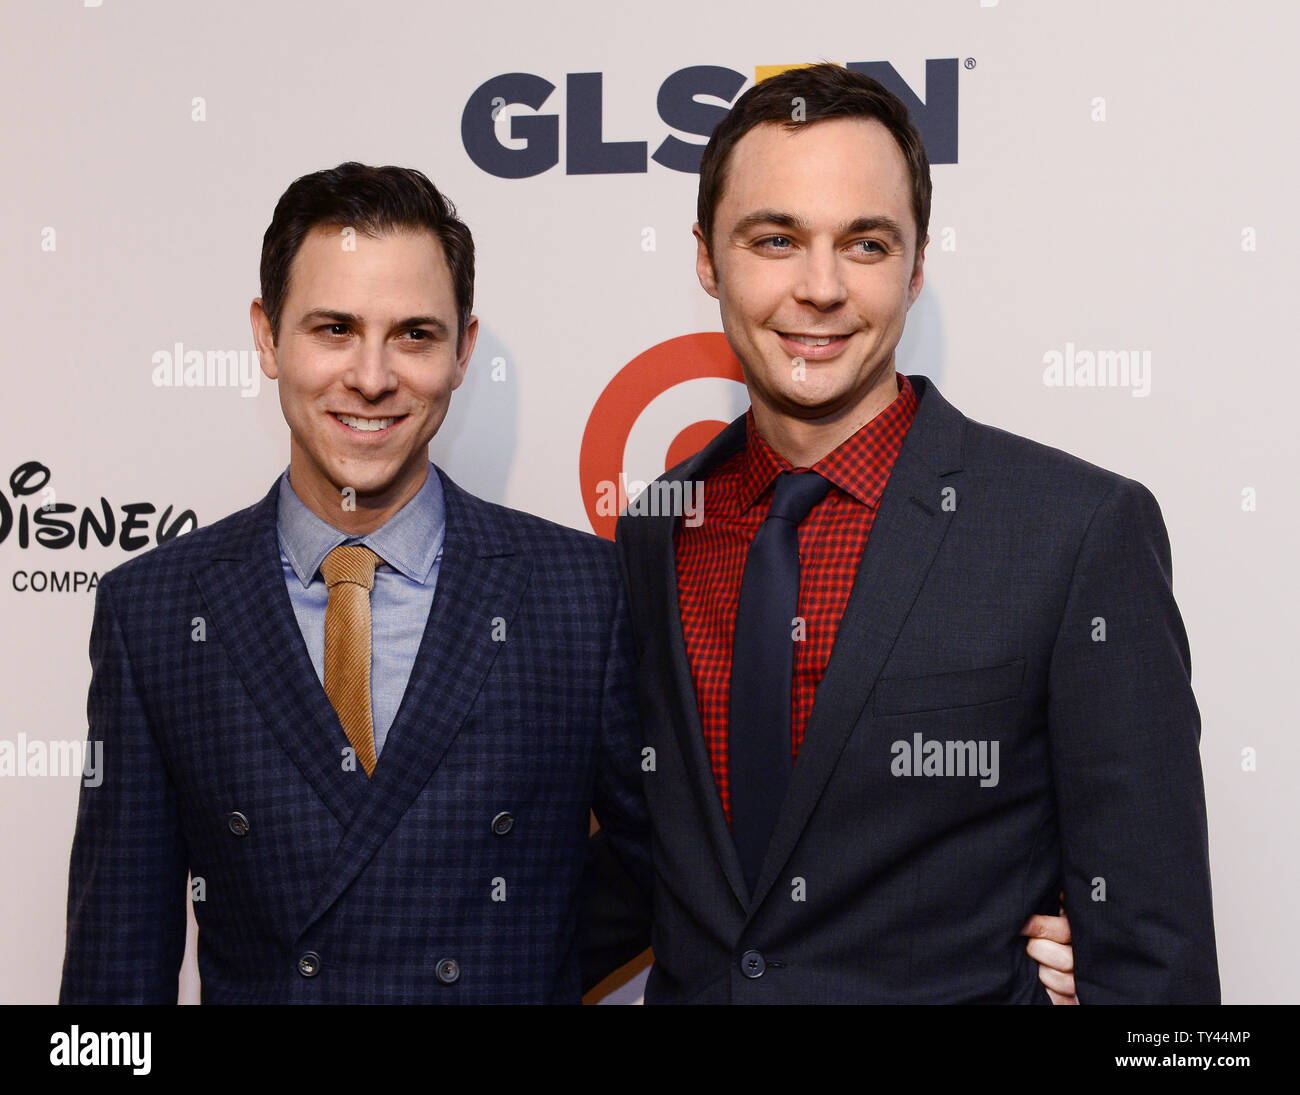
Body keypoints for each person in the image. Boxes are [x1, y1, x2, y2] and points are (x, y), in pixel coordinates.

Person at [604, 64, 1218, 1003]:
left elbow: (1157, 953)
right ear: (706, 258)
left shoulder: (1076, 533)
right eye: (775, 239)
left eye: (866, 244)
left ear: (917, 264)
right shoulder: (656, 531)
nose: (820, 289)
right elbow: (653, 871)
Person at [58, 163, 651, 1004]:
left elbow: (668, 872)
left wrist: (517, 963)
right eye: (334, 328)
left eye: (414, 334)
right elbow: (115, 969)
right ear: (267, 338)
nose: (372, 377)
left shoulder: (582, 595)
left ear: (462, 351)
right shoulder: (155, 611)